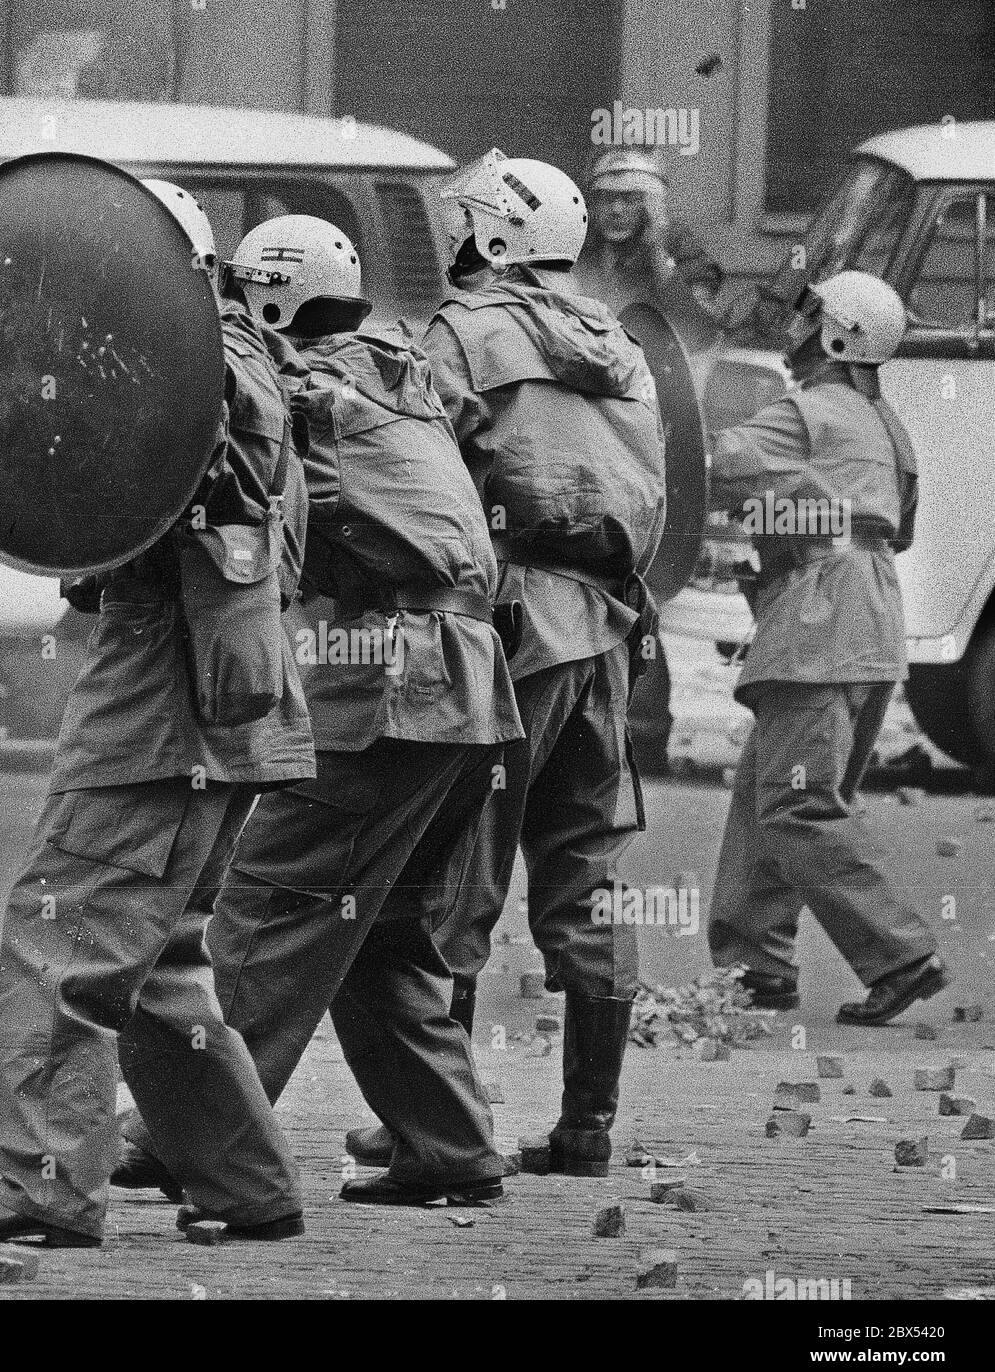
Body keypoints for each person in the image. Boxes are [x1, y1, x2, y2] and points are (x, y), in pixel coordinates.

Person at [0, 181, 314, 1246]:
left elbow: (144, 514)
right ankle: (246, 1186)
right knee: (157, 967)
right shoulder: (245, 367)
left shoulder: (190, 375)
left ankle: (47, 1186)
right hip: (228, 709)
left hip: (156, 714)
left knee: (59, 937)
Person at [114, 212, 525, 1207]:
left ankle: (187, 1138)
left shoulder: (302, 385)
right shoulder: (402, 371)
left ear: (267, 300)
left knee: (264, 909)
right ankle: (449, 1147)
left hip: (389, 687)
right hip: (468, 688)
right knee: (374, 935)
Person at [352, 150, 665, 1181]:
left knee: (454, 879)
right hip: (606, 629)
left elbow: (418, 476)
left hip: (506, 628)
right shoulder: (616, 340)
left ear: (494, 238)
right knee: (587, 884)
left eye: (467, 222)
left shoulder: (460, 333)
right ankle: (591, 1127)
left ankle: (437, 1128)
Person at [706, 269, 949, 1024]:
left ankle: (899, 954)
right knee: (765, 795)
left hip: (817, 619)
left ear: (837, 334)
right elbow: (898, 523)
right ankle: (755, 968)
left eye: (810, 317)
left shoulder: (809, 410)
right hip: (871, 615)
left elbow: (719, 464)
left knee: (796, 805)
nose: (796, 327)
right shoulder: (887, 425)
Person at [571, 146, 722, 351]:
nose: (616, 209)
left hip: (656, 366)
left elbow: (701, 333)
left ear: (650, 204)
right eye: (607, 198)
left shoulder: (678, 244)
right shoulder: (580, 243)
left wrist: (656, 251)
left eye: (629, 199)